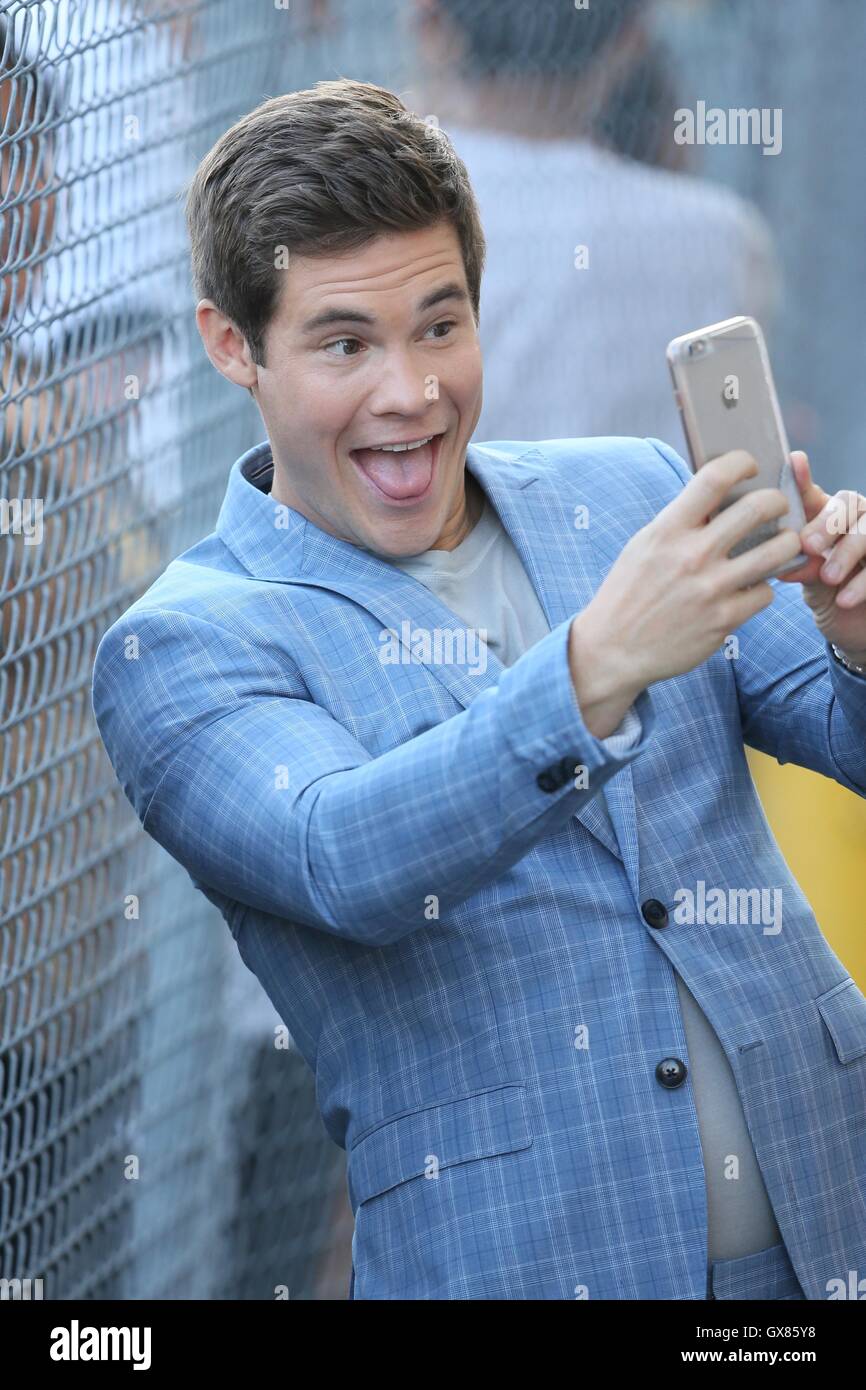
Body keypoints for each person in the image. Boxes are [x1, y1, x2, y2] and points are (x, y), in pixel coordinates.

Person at [91, 78, 866, 1301]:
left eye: (440, 325)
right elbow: (343, 856)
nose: (411, 392)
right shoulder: (183, 644)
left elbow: (841, 731)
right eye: (345, 342)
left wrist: (855, 636)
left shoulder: (627, 489)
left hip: (830, 1231)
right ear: (230, 344)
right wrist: (591, 669)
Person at [410, 0, 780, 449]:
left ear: (430, 22)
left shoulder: (390, 209)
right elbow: (738, 453)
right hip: (664, 517)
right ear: (631, 37)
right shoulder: (723, 238)